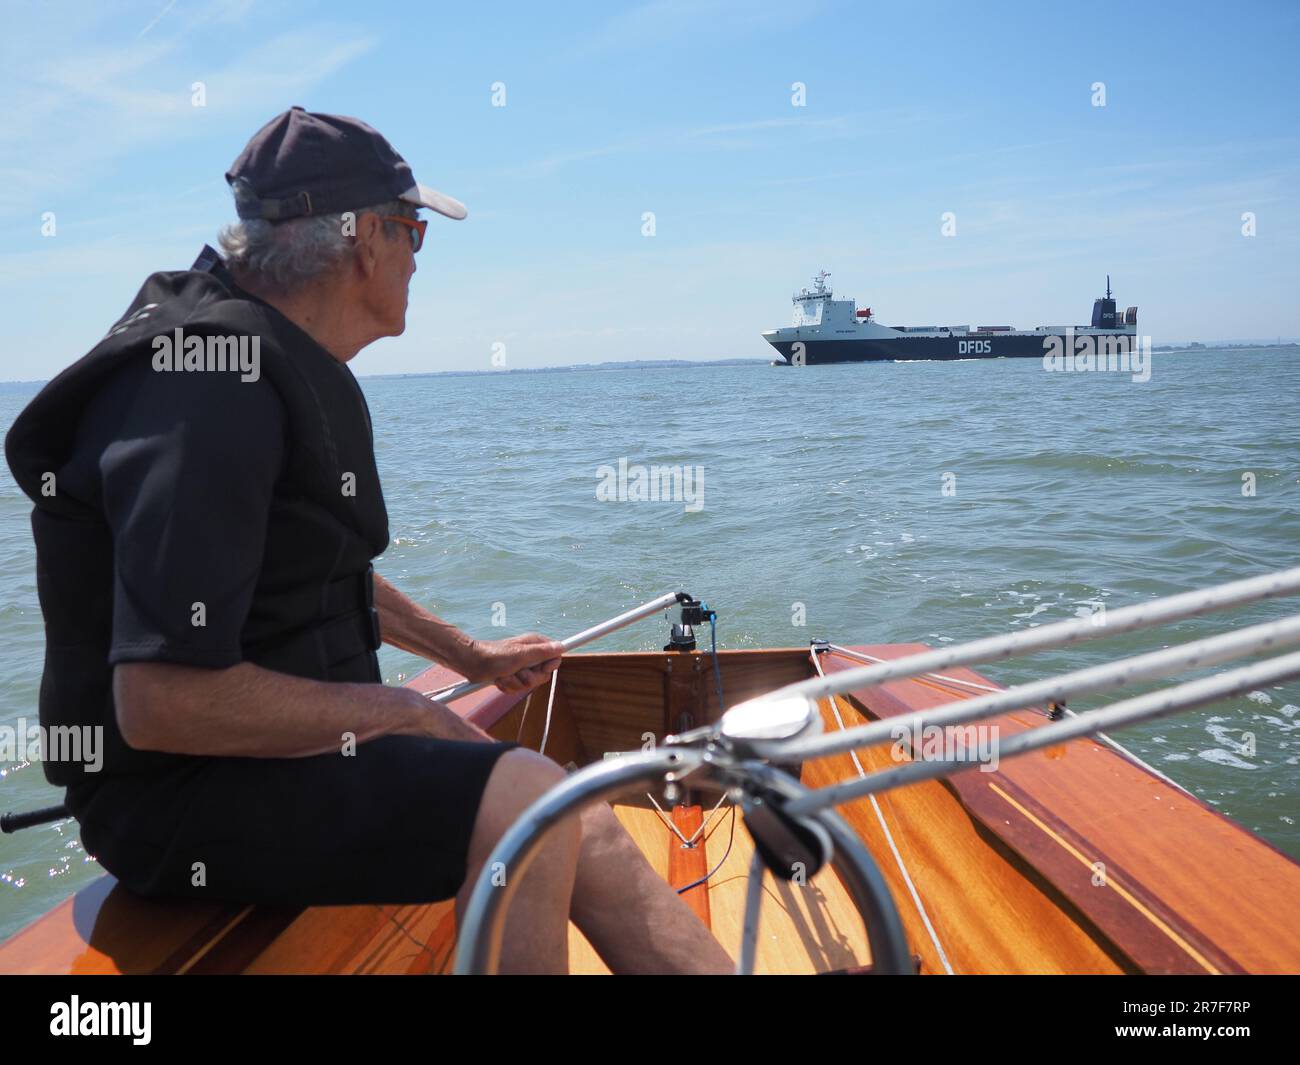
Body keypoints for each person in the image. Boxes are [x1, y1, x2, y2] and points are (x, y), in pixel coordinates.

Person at [4, 106, 731, 975]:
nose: (420, 258)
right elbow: (158, 702)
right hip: (178, 800)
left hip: (261, 763)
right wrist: (400, 711)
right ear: (365, 241)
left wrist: (467, 655)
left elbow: (310, 571)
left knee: (565, 803)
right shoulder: (204, 391)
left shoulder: (254, 365)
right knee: (524, 800)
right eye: (415, 233)